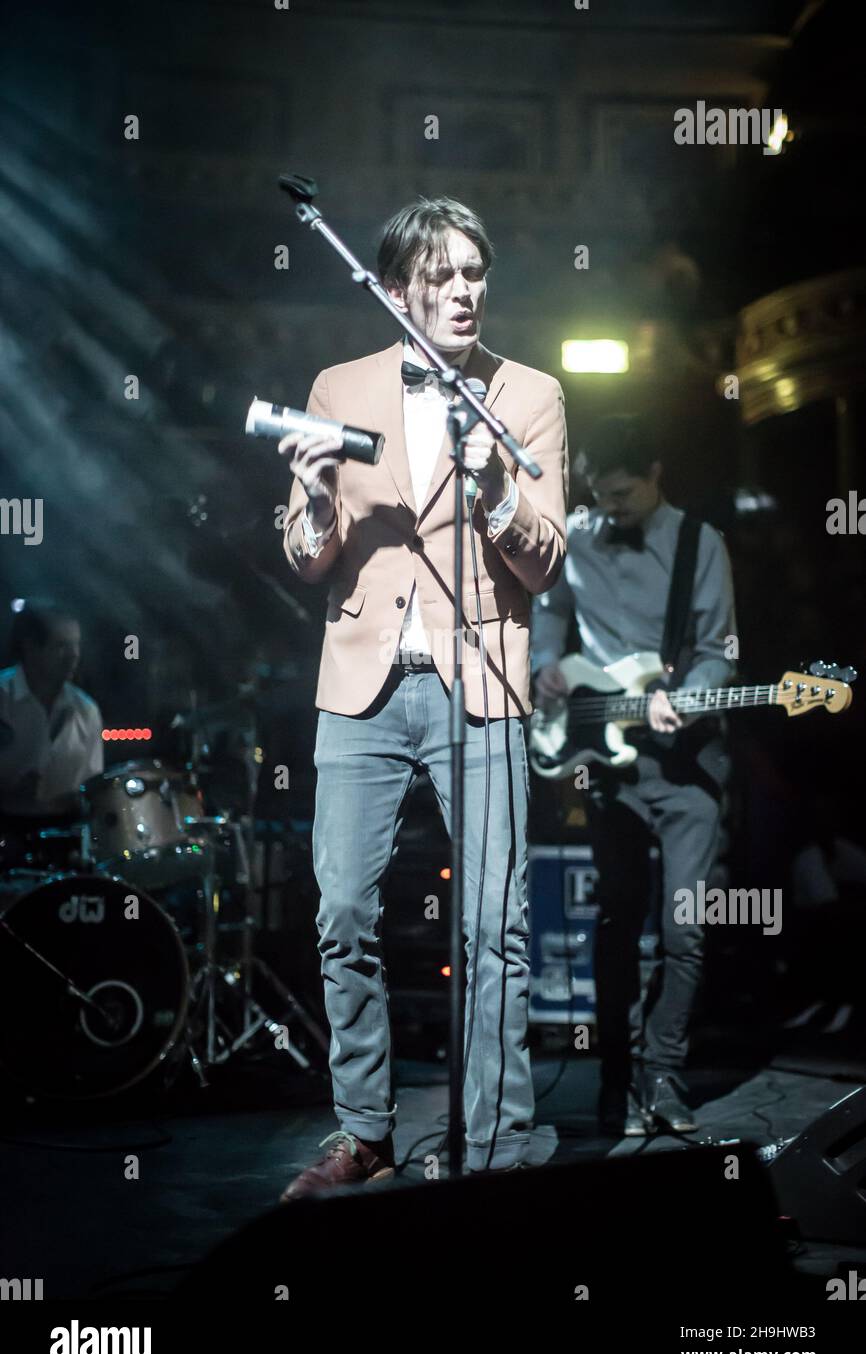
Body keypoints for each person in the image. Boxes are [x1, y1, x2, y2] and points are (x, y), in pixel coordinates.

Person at [277, 196, 568, 1195]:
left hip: (478, 681)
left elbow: (546, 562)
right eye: (440, 279)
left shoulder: (527, 393)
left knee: (493, 925)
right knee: (343, 912)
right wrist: (314, 499)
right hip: (360, 683)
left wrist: (493, 494)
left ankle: (492, 1148)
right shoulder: (337, 385)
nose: (462, 294)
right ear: (397, 290)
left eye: (473, 276)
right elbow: (305, 556)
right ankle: (364, 1130)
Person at [531, 415, 736, 1136]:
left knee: (686, 931)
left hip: (685, 766)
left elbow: (719, 650)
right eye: (598, 494)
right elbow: (548, 611)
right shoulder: (578, 536)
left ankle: (665, 1074)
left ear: (655, 474)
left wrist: (685, 694)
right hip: (604, 763)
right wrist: (544, 667)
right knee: (613, 922)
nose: (608, 507)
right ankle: (614, 1080)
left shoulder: (700, 544)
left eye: (621, 493)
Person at [0, 600, 103, 822]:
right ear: (30, 648)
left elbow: (94, 787)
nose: (74, 655)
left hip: (65, 838)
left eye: (76, 645)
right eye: (61, 646)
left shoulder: (87, 710)